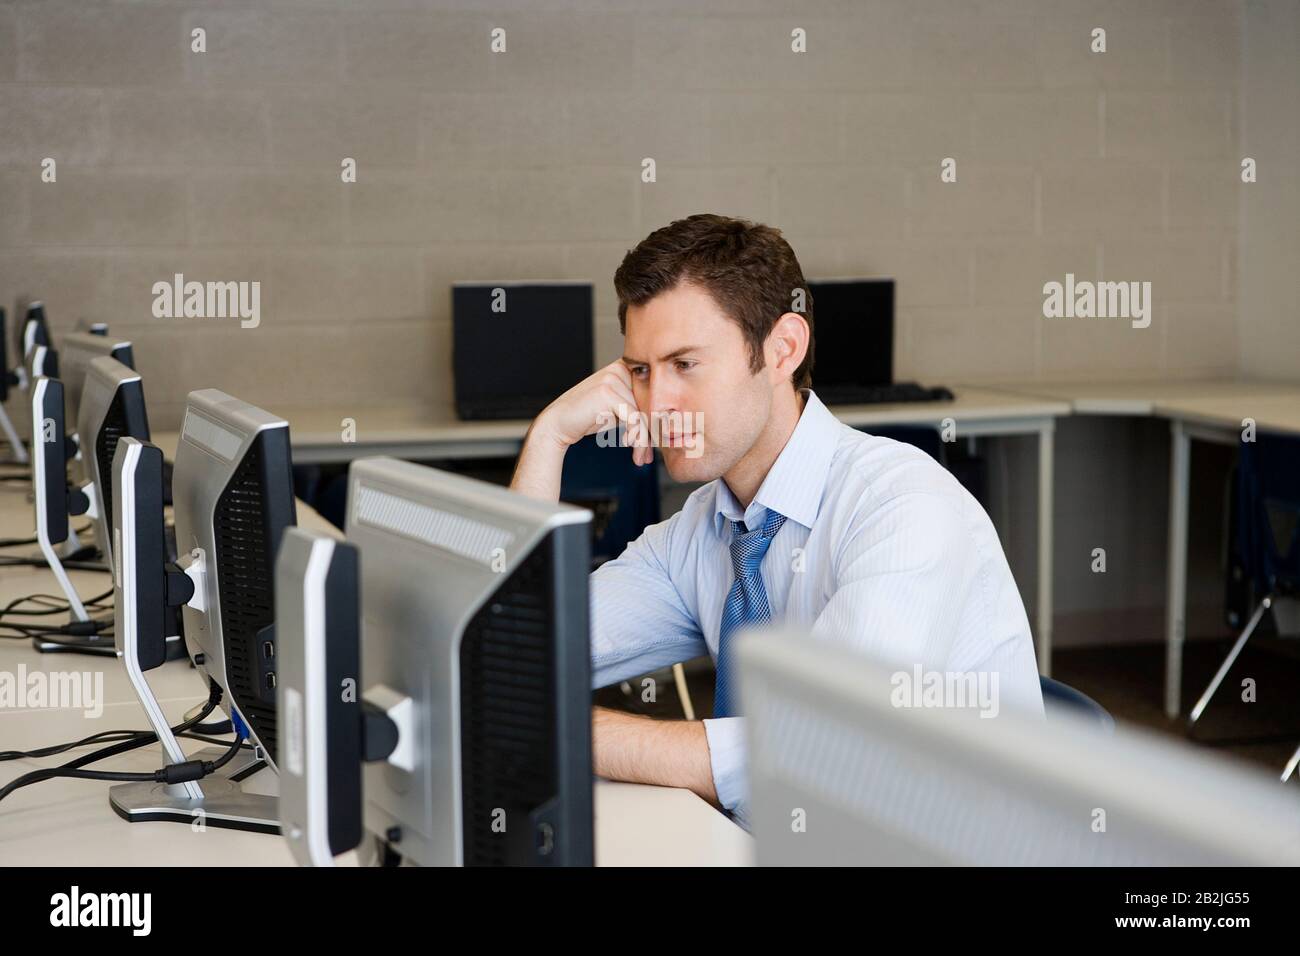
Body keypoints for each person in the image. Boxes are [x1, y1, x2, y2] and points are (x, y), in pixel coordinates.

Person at [510, 214, 1043, 825]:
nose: (656, 404)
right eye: (640, 371)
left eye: (685, 364)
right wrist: (550, 436)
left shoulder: (903, 506)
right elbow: (520, 650)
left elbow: (826, 746)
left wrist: (563, 731)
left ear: (782, 348)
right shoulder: (704, 528)